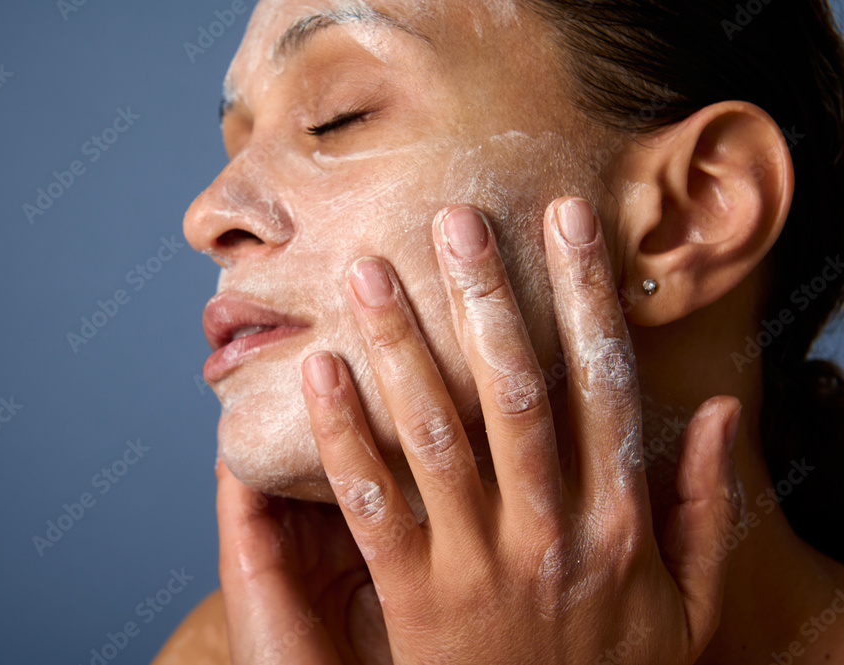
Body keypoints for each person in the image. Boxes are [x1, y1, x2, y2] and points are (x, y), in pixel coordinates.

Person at [156, 0, 844, 662]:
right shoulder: (229, 650)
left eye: (336, 117)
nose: (207, 215)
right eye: (238, 142)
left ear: (691, 209)